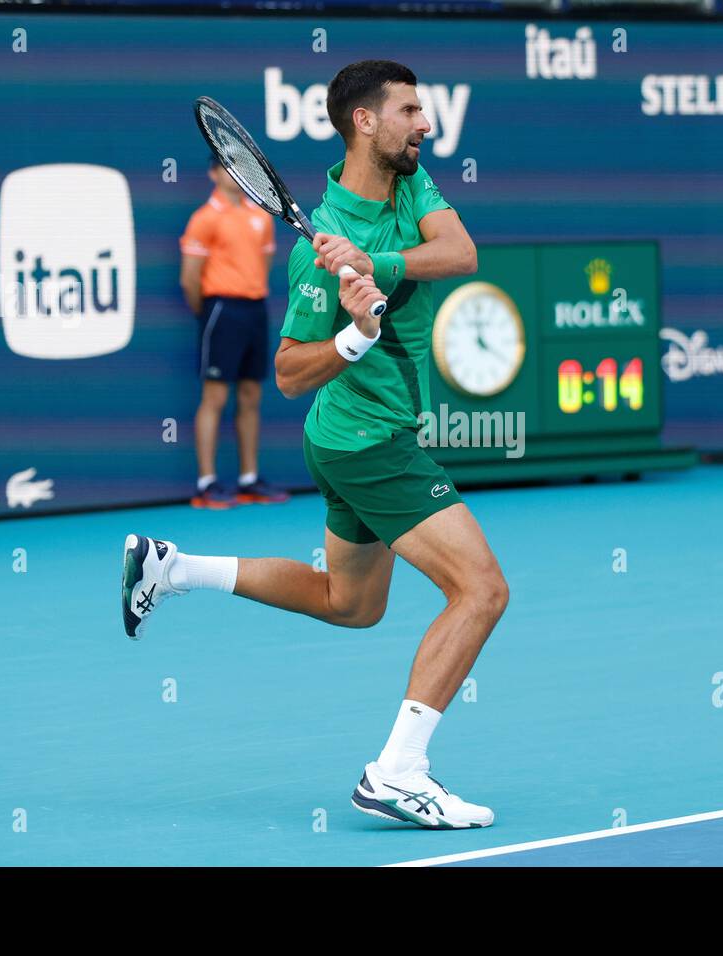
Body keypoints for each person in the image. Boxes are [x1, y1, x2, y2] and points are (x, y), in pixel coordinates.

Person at [123, 61, 506, 829]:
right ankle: (398, 771)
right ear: (365, 122)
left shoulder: (412, 186)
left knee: (349, 602)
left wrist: (378, 265)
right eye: (409, 111)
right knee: (482, 590)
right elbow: (292, 373)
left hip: (360, 439)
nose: (424, 124)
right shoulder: (311, 251)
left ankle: (171, 568)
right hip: (366, 444)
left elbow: (462, 253)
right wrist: (357, 335)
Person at [179, 156, 289, 507]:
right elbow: (189, 279)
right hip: (221, 310)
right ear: (213, 173)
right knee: (215, 398)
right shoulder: (203, 219)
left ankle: (248, 479)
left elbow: (263, 266)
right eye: (225, 167)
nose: (232, 173)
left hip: (255, 309)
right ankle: (206, 483)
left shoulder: (261, 217)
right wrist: (210, 312)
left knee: (250, 396)